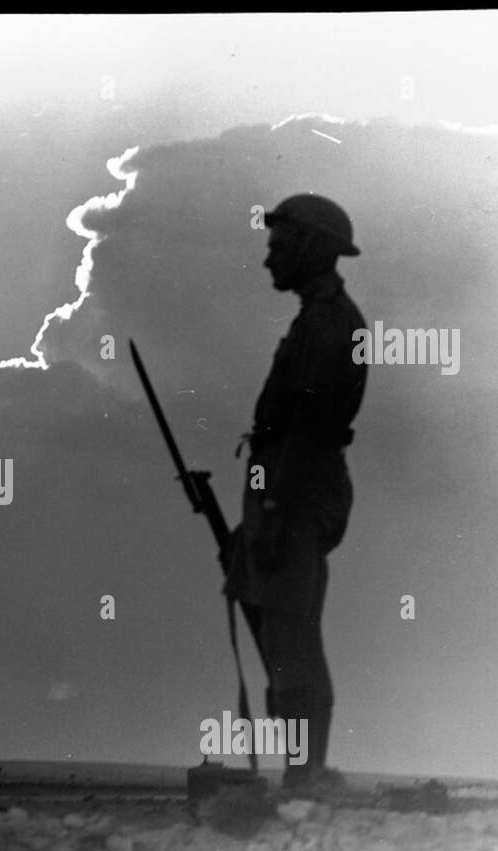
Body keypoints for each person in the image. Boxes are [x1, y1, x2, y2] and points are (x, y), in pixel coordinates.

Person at [224, 194, 368, 794]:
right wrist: (254, 513)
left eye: (279, 247)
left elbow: (304, 436)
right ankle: (301, 767)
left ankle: (306, 773)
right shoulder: (319, 320)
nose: (269, 261)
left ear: (311, 248)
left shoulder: (331, 324)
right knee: (279, 626)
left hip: (300, 488)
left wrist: (272, 512)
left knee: (291, 634)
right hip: (287, 485)